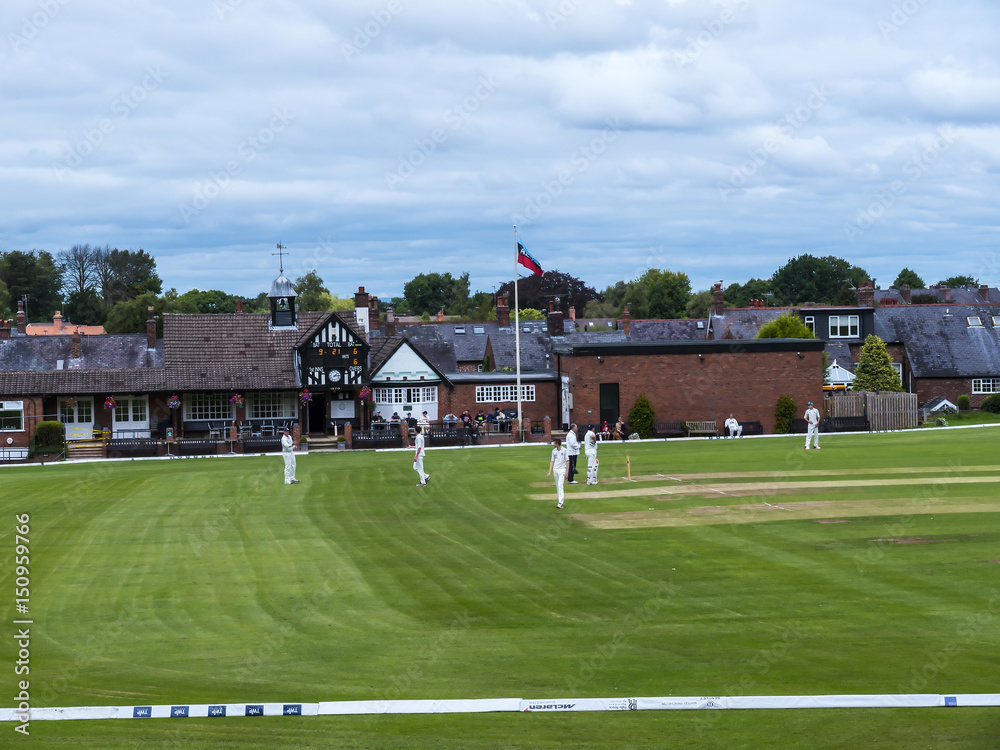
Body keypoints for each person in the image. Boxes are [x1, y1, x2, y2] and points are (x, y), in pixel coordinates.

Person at [547, 437, 569, 509]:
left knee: (560, 485)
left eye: (554, 442)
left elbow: (567, 461)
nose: (553, 444)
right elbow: (552, 461)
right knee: (557, 486)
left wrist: (567, 472)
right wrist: (549, 472)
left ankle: (561, 503)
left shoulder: (564, 450)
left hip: (562, 469)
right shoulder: (554, 451)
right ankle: (560, 501)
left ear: (557, 444)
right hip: (555, 470)